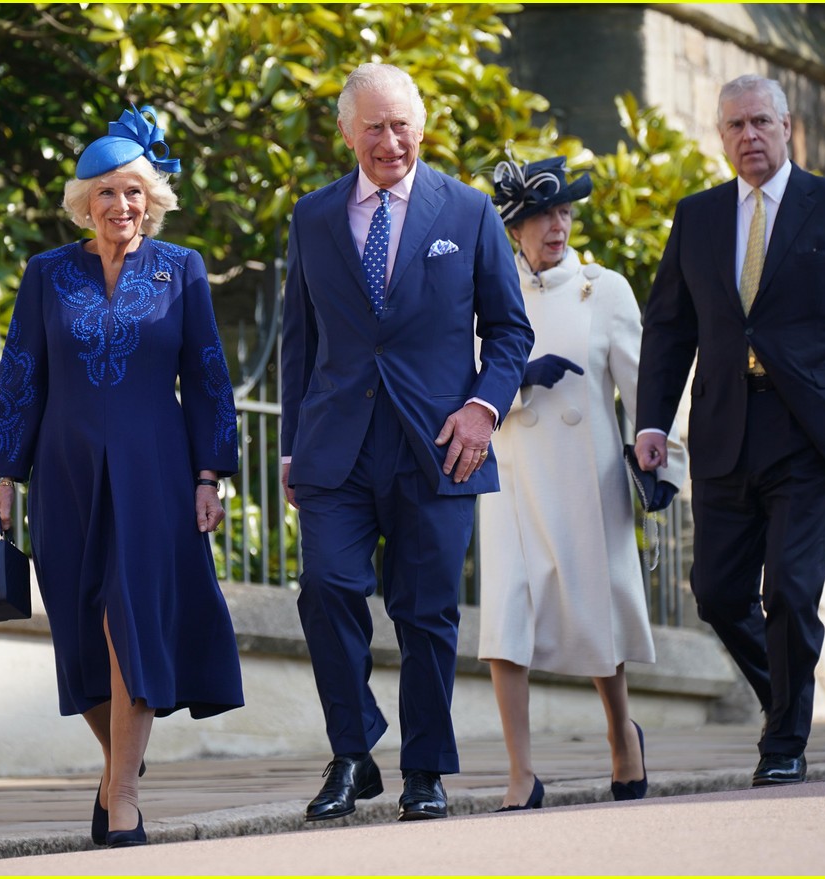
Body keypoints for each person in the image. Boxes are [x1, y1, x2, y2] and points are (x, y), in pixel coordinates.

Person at [634, 74, 825, 787]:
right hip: (725, 426)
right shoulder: (696, 217)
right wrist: (650, 422)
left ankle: (784, 739)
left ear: (788, 128)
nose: (748, 136)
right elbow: (670, 328)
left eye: (761, 121)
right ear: (720, 136)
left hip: (809, 430)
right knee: (718, 594)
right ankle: (785, 696)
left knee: (790, 588)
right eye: (734, 126)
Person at [0, 104, 243, 847]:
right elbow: (21, 376)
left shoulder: (180, 268)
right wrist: (5, 478)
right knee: (79, 627)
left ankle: (122, 792)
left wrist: (209, 473)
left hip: (155, 467)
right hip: (63, 470)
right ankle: (115, 764)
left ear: (151, 200)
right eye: (106, 193)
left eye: (134, 192)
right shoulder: (46, 273)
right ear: (83, 203)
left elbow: (210, 377)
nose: (121, 206)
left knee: (131, 616)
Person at [280, 63, 533, 823]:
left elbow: (511, 331)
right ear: (346, 133)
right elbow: (302, 337)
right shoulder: (313, 216)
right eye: (373, 127)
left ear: (421, 128)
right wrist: (293, 445)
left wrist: (484, 409)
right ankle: (353, 753)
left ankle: (425, 767)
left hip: (439, 445)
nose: (389, 141)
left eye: (401, 125)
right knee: (325, 588)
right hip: (336, 445)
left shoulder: (470, 211)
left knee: (426, 614)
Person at [477, 156, 687, 810]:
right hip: (509, 469)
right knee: (505, 622)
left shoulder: (606, 289)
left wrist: (665, 463)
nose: (556, 225)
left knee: (595, 614)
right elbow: (459, 377)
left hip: (584, 476)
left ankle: (621, 733)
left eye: (564, 211)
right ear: (514, 226)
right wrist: (513, 379)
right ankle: (521, 772)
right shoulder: (485, 289)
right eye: (541, 214)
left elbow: (647, 388)